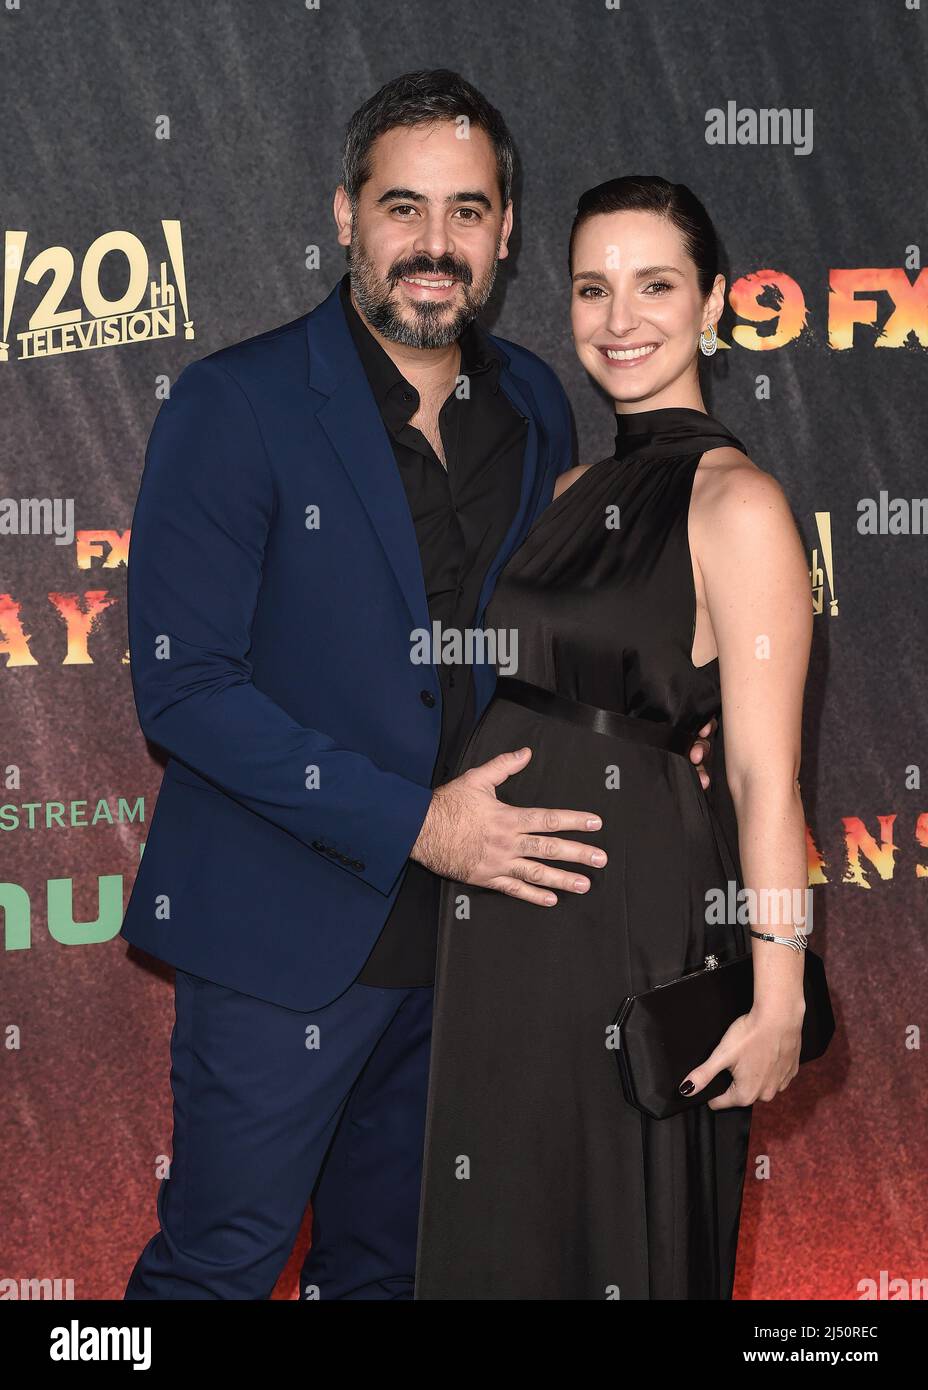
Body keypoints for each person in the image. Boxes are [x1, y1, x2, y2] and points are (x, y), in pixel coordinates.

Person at [120, 75, 715, 1301]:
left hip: (480, 950)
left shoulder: (539, 405)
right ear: (344, 216)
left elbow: (554, 635)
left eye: (466, 211)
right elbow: (184, 692)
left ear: (503, 233)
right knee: (213, 1271)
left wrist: (661, 739)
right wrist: (419, 824)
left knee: (396, 1276)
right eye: (402, 207)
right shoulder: (235, 403)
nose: (433, 244)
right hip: (285, 939)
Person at [414, 175, 813, 1300]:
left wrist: (777, 996)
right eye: (593, 288)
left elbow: (760, 774)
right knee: (503, 1213)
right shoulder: (573, 481)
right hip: (499, 913)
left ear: (714, 301)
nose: (619, 318)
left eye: (654, 285)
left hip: (620, 909)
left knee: (602, 1213)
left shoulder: (739, 504)